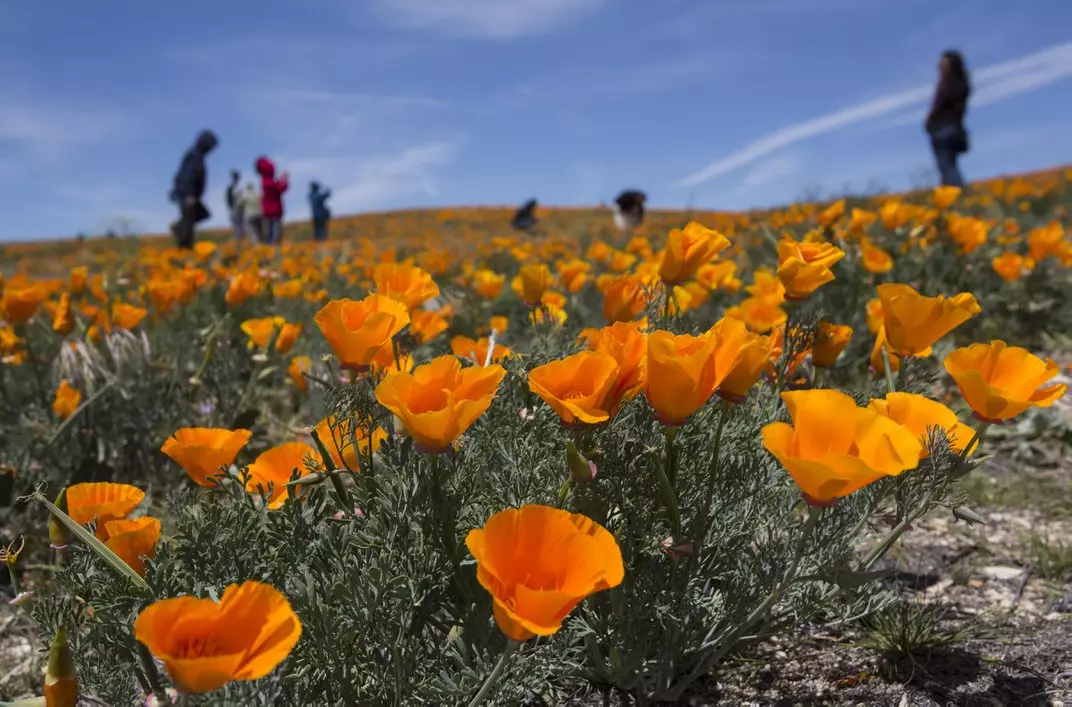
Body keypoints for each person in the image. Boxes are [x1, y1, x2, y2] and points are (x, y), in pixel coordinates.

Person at [925, 50, 971, 188]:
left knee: (946, 166)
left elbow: (938, 107)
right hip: (955, 129)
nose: (938, 65)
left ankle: (956, 193)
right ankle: (956, 193)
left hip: (942, 129)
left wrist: (929, 122)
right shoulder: (963, 84)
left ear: (950, 65)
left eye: (943, 62)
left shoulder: (947, 85)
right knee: (950, 164)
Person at [169, 130, 218, 249]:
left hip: (192, 195)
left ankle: (180, 229)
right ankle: (184, 248)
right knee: (188, 222)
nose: (211, 149)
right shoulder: (193, 155)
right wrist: (188, 195)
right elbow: (187, 175)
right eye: (210, 146)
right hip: (188, 194)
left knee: (196, 217)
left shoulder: (198, 156)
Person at [255, 156, 289, 245]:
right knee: (275, 228)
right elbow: (281, 188)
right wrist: (285, 179)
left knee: (269, 228)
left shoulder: (264, 181)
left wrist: (280, 179)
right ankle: (274, 245)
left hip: (267, 209)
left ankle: (270, 243)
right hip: (275, 208)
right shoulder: (269, 182)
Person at [226, 170, 244, 240]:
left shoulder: (238, 187)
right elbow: (228, 198)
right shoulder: (231, 188)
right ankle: (238, 236)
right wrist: (231, 206)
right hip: (234, 207)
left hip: (238, 207)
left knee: (240, 222)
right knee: (236, 223)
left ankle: (240, 236)